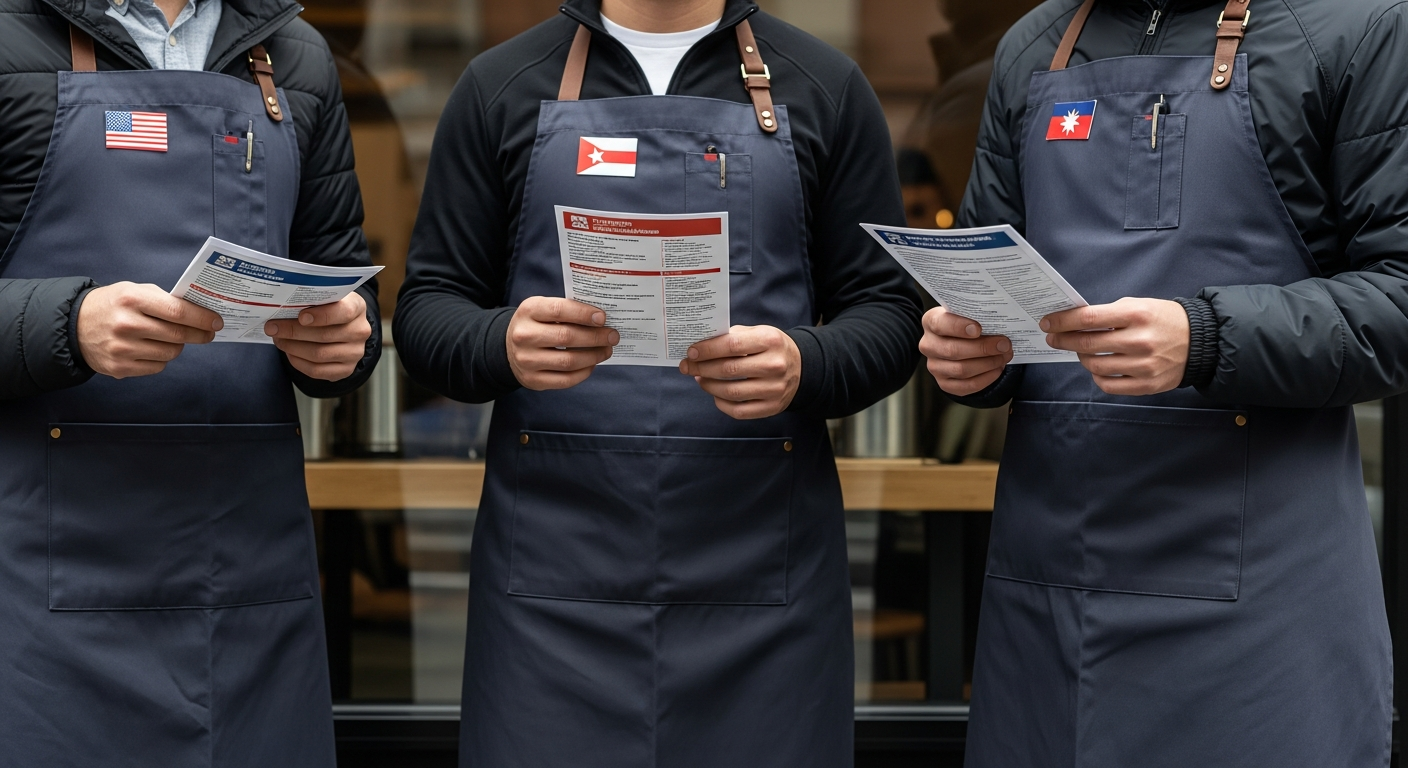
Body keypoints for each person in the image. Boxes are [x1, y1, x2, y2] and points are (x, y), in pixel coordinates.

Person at [393, 0, 921, 764]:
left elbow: (891, 315)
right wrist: (499, 342)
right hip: (551, 588)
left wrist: (807, 362)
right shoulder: (499, 85)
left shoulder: (825, 86)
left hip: (761, 581)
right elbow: (426, 313)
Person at [920, 0, 1401, 765]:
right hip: (1048, 596)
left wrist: (1207, 338)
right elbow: (994, 291)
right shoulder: (1034, 46)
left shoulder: (1355, 26)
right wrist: (973, 359)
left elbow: (1399, 296)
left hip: (1261, 610)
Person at [0, 0, 380, 762]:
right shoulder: (12, 36)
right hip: (48, 580)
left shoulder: (296, 55)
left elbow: (340, 278)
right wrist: (66, 322)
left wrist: (346, 344)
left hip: (252, 581)